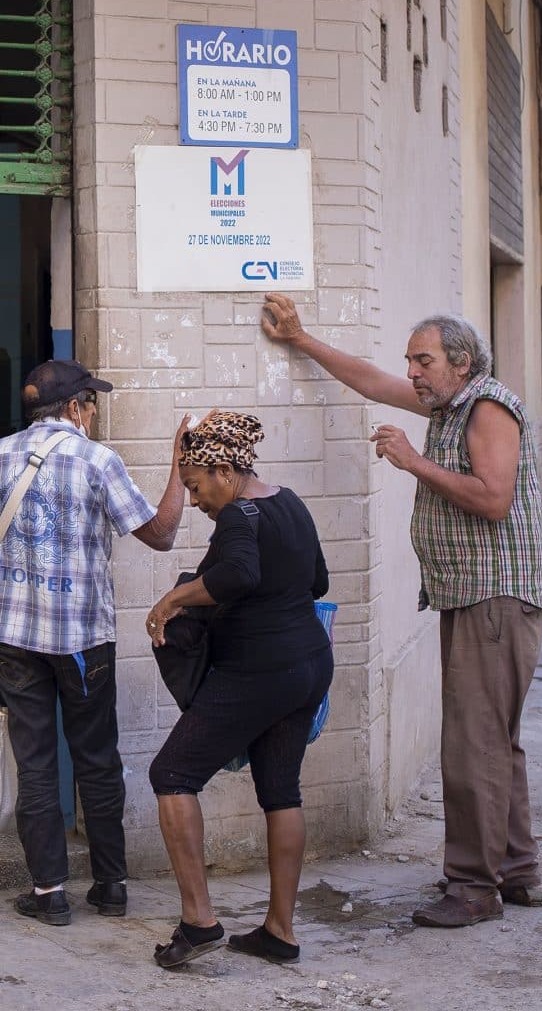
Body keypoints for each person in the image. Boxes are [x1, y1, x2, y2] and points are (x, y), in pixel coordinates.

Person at [261, 292, 542, 928]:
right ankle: (517, 868)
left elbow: (494, 499)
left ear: (462, 362)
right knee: (494, 741)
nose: (412, 373)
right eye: (411, 362)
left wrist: (413, 463)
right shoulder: (448, 402)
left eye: (423, 361)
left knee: (474, 747)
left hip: (492, 597)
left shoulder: (488, 407)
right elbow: (371, 380)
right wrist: (302, 340)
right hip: (473, 595)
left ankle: (474, 888)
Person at [0, 360, 185, 928]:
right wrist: (179, 468)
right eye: (93, 404)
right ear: (76, 408)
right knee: (96, 757)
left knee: (35, 763)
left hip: (12, 637)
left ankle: (48, 893)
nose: (94, 413)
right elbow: (159, 536)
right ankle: (110, 885)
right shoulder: (97, 459)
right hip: (84, 640)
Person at [144, 410, 332, 967]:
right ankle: (279, 931)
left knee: (171, 774)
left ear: (223, 470)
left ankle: (199, 922)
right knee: (281, 791)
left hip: (259, 671)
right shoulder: (289, 501)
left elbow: (238, 577)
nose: (197, 501)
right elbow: (317, 580)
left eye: (196, 487)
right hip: (309, 665)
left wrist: (172, 601)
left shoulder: (238, 517)